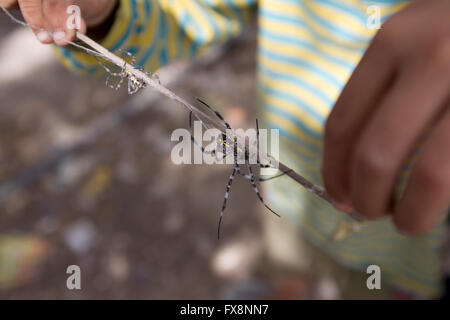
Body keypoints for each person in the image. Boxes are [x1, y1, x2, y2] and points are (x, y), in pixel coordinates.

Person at [2, 0, 449, 299]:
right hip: (293, 202)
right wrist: (106, 11)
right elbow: (186, 15)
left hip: (415, 255)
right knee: (291, 258)